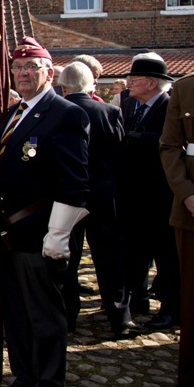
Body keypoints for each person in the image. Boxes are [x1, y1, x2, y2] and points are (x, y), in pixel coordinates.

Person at [0, 38, 89, 387]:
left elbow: (75, 183)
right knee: (16, 313)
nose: (24, 74)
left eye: (32, 67)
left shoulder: (64, 114)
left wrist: (58, 236)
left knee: (44, 317)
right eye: (18, 68)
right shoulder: (14, 112)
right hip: (11, 236)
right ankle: (24, 379)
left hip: (41, 235)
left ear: (50, 72)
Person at [58, 62, 131, 338]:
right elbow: (121, 155)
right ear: (92, 86)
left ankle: (67, 317)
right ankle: (120, 317)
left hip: (68, 196)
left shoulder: (57, 113)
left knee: (68, 258)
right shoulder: (110, 112)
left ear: (63, 87)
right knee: (110, 257)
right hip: (103, 194)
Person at [119, 53, 179, 330]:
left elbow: (172, 144)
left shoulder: (169, 108)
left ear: (152, 83)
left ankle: (170, 309)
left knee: (166, 256)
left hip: (160, 196)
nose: (129, 83)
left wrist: (140, 139)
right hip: (134, 196)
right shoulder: (130, 105)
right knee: (135, 251)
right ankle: (137, 299)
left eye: (135, 79)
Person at [157, 67, 194, 387]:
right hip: (193, 210)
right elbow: (170, 147)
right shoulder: (185, 89)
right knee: (193, 299)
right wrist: (187, 194)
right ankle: (191, 381)